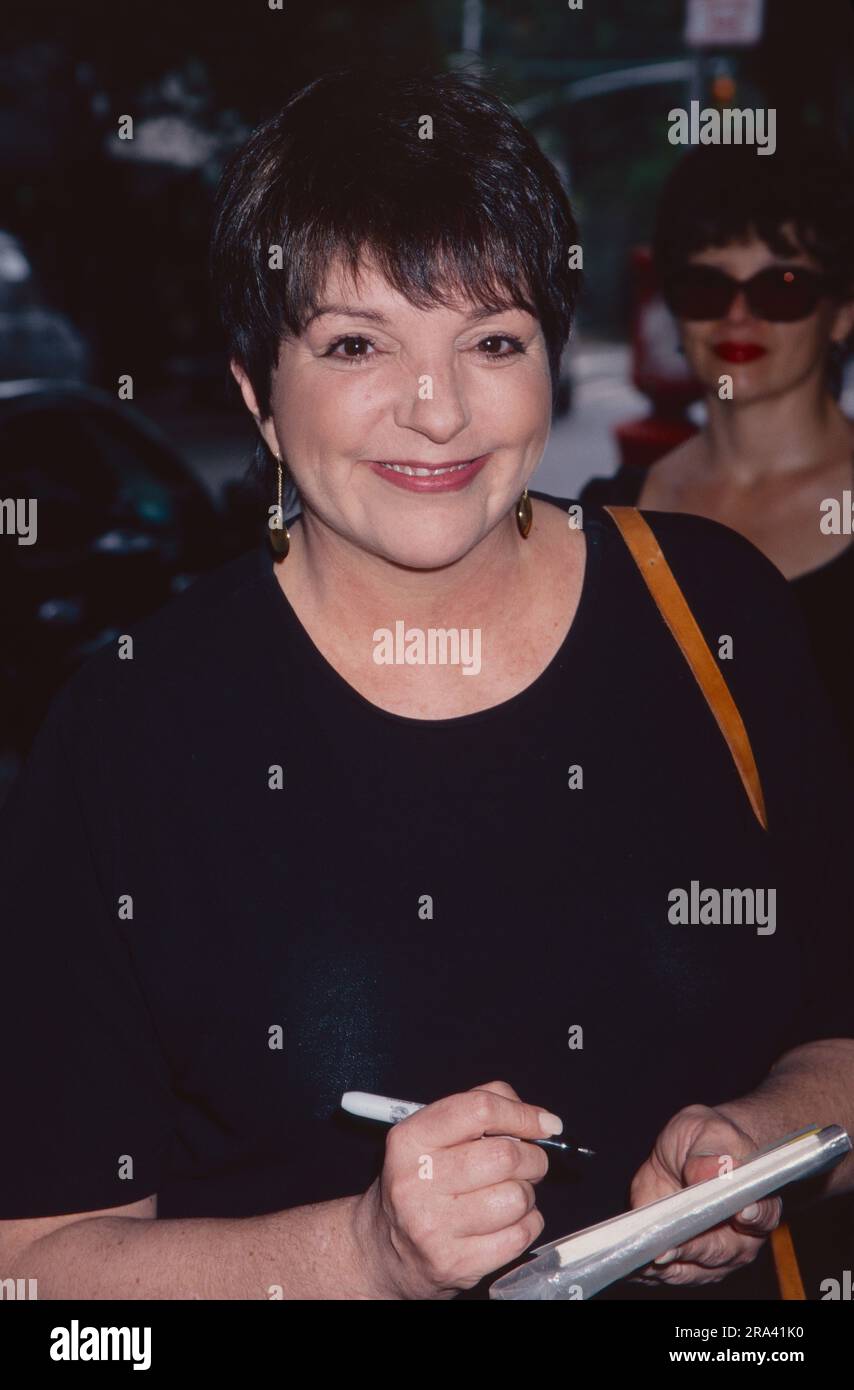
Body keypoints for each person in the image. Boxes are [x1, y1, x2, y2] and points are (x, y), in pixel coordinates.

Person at [1, 68, 853, 1303]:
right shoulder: (128, 732)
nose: (437, 408)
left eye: (490, 341)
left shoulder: (713, 613)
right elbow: (35, 1268)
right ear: (255, 391)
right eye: (355, 343)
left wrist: (756, 1146)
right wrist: (358, 1254)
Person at [582, 139, 854, 765]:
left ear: (840, 315)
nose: (737, 315)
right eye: (706, 285)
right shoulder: (609, 518)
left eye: (781, 287)